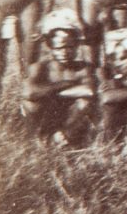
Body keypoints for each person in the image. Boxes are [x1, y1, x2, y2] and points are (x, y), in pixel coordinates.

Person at [22, 9, 96, 146]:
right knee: (30, 104)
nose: (64, 52)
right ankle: (38, 139)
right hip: (47, 113)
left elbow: (89, 90)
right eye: (59, 47)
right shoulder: (41, 66)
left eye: (70, 47)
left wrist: (48, 92)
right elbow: (28, 92)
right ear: (50, 47)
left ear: (76, 47)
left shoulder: (82, 67)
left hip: (69, 116)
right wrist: (67, 84)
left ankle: (64, 137)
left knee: (84, 102)